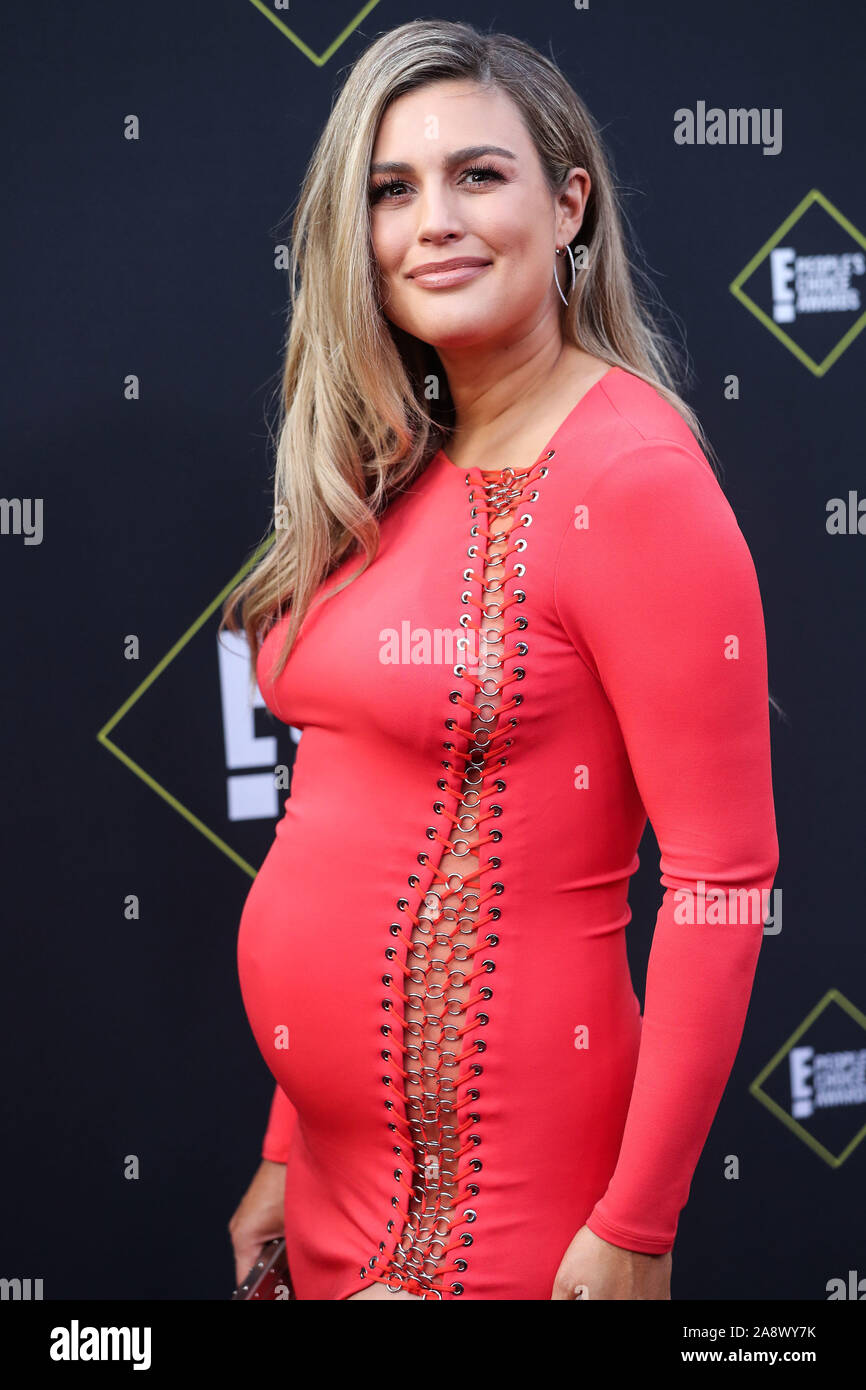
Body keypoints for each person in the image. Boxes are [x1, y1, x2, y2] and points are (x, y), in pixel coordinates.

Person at [222, 18, 779, 1300]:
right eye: (391, 189)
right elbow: (349, 814)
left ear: (568, 203)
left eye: (478, 175)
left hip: (492, 1208)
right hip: (327, 1186)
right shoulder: (386, 460)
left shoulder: (630, 479)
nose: (435, 222)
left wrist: (636, 1225)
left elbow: (721, 882)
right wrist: (285, 1147)